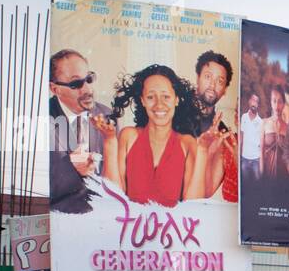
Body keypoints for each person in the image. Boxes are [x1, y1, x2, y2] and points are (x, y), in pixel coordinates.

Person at [99, 64, 234, 206]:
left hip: (172, 228)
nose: (159, 104)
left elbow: (193, 207)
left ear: (176, 99)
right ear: (143, 100)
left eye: (166, 97)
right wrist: (109, 141)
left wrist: (203, 150)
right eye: (151, 97)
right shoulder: (129, 136)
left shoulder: (187, 143)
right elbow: (113, 200)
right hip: (132, 227)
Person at [48, 48, 113, 215]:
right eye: (76, 84)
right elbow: (32, 187)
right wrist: (72, 169)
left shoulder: (107, 115)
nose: (87, 89)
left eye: (89, 79)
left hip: (104, 221)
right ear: (55, 89)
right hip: (61, 224)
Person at [191, 50, 239, 202]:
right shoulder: (172, 114)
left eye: (220, 81)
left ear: (224, 90)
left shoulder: (225, 137)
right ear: (197, 79)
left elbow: (205, 193)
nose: (212, 85)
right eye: (208, 77)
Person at [260, 83, 289, 182]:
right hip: (267, 177)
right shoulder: (264, 123)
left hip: (284, 177)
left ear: (284, 104)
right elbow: (261, 154)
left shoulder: (288, 128)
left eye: (280, 101)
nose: (277, 105)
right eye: (274, 101)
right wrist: (261, 177)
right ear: (271, 102)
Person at [240, 92, 264, 190]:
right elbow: (241, 136)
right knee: (245, 186)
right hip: (244, 159)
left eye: (256, 102)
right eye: (253, 100)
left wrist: (261, 161)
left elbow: (262, 144)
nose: (254, 103)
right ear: (249, 101)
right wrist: (240, 156)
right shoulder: (243, 117)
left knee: (257, 187)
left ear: (258, 105)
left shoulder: (260, 122)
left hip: (256, 160)